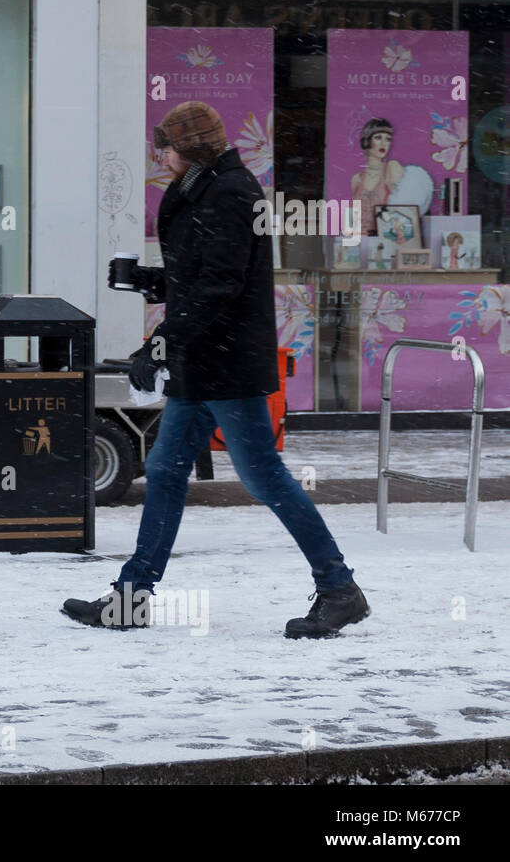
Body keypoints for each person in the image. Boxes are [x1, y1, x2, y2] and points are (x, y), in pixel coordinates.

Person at [63, 101, 369, 639]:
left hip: (228, 365)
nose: (162, 154)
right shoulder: (203, 187)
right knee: (163, 471)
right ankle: (133, 597)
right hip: (204, 365)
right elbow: (202, 276)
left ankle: (339, 588)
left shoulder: (230, 193)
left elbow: (222, 287)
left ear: (192, 148)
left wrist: (159, 342)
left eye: (169, 145)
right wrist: (148, 280)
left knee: (262, 477)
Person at [350, 118, 404, 236]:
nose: (384, 143)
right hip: (358, 241)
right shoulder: (357, 179)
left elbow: (402, 209)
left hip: (384, 239)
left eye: (388, 139)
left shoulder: (392, 168)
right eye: (378, 137)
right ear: (367, 141)